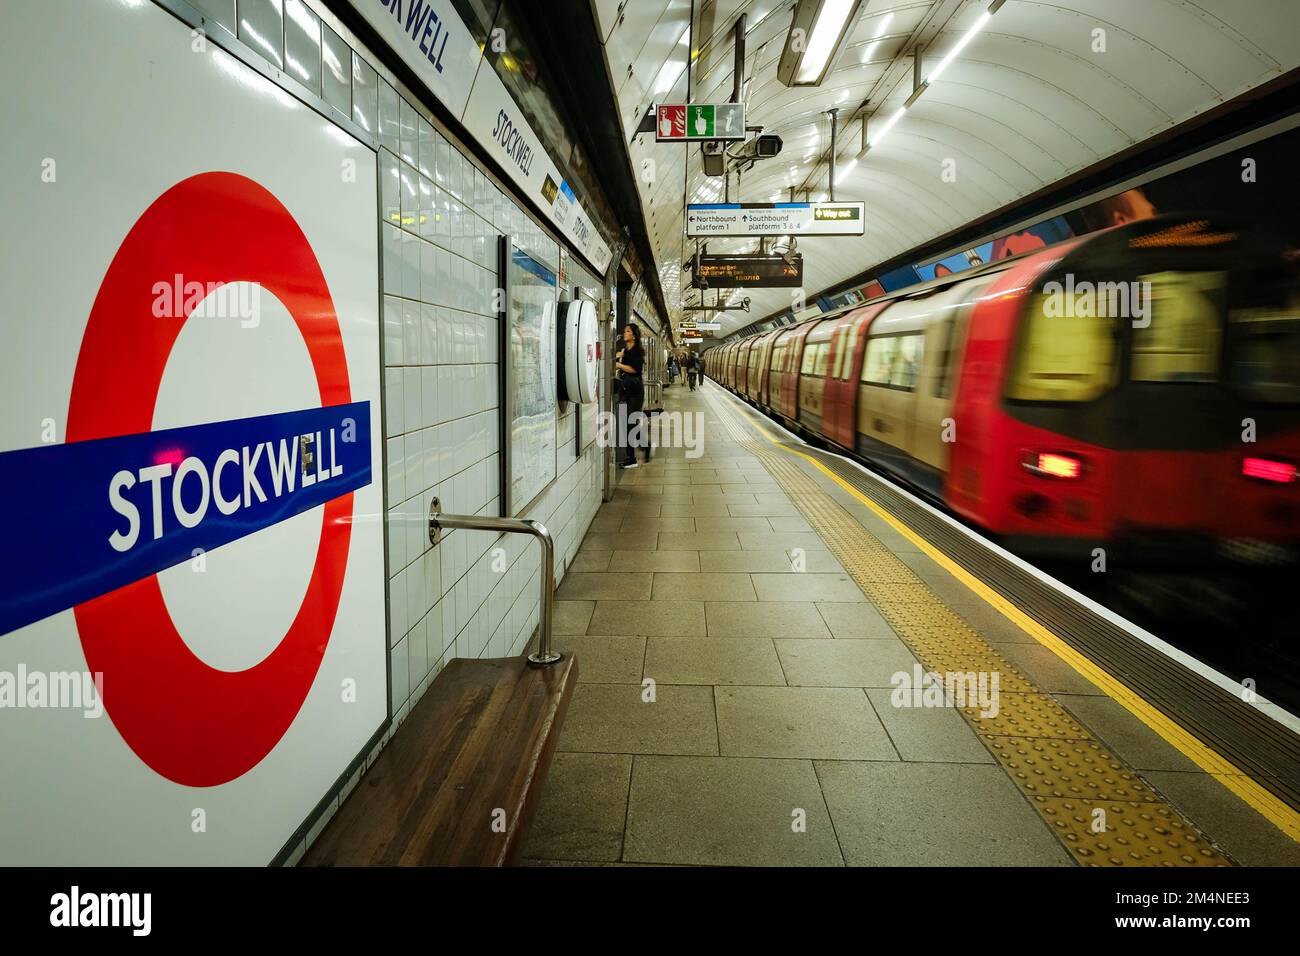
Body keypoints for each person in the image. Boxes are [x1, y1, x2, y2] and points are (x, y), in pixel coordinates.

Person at [615, 322, 645, 469]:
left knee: (630, 424)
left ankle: (632, 458)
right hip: (626, 391)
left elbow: (635, 370)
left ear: (633, 335)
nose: (624, 333)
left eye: (627, 331)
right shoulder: (625, 351)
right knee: (629, 424)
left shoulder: (638, 351)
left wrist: (619, 365)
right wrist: (619, 357)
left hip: (636, 392)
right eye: (624, 331)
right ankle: (642, 448)